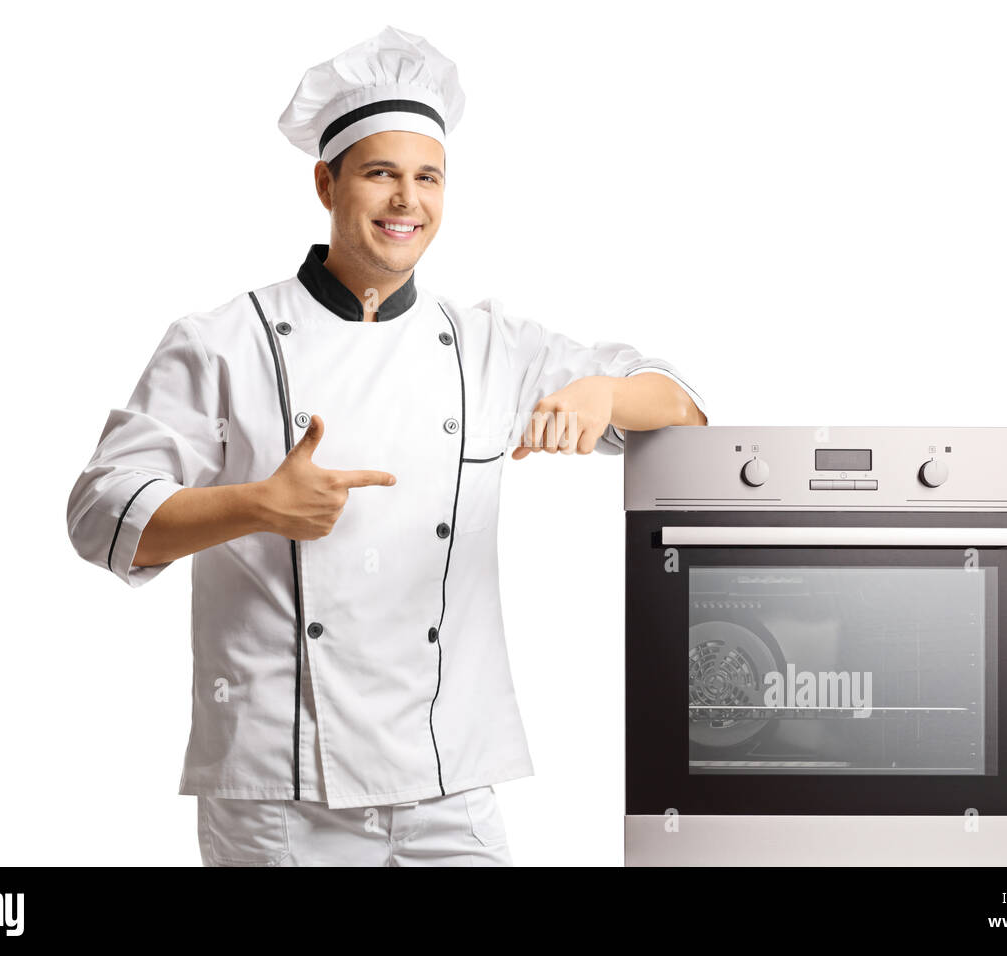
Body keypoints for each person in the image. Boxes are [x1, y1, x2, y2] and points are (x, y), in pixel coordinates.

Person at [66, 24, 708, 867]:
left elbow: (688, 417)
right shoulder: (225, 342)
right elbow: (99, 512)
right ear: (327, 182)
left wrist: (606, 391)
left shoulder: (487, 345)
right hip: (281, 794)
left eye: (427, 178)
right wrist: (255, 505)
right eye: (380, 174)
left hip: (450, 782)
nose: (408, 200)